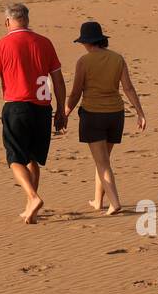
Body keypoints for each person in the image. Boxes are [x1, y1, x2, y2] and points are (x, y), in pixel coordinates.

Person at [0, 3, 67, 224]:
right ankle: (30, 206)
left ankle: (32, 197)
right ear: (27, 19)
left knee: (14, 158)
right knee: (33, 158)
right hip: (43, 108)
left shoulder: (2, 44)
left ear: (7, 22)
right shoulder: (44, 43)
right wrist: (61, 109)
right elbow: (58, 80)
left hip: (17, 108)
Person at [62, 20, 146, 215]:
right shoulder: (118, 59)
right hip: (116, 115)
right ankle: (98, 201)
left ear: (86, 42)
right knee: (103, 159)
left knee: (102, 162)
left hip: (93, 116)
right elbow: (128, 88)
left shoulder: (84, 62)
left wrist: (65, 112)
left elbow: (75, 93)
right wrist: (140, 112)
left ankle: (115, 202)